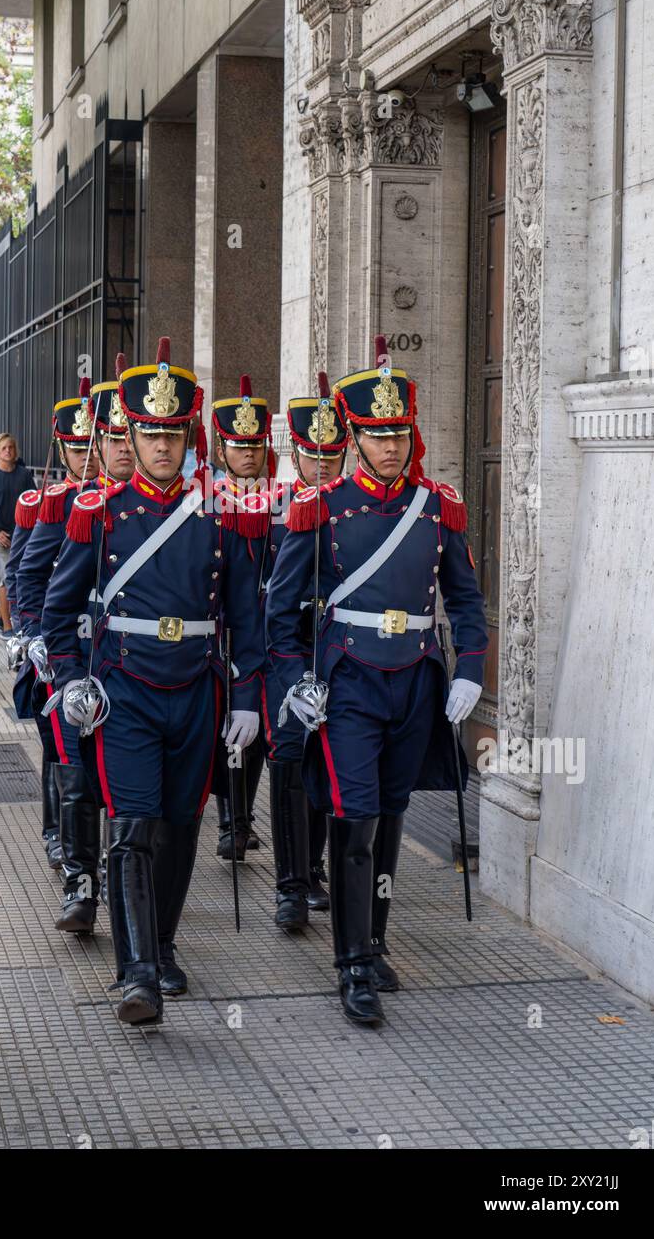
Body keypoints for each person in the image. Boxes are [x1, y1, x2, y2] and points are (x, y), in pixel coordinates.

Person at [41, 337, 264, 1025]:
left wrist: (251, 699)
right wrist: (73, 678)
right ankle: (136, 971)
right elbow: (58, 608)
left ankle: (162, 944)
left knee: (180, 825)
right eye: (149, 433)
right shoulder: (99, 512)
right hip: (125, 689)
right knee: (132, 825)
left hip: (195, 689)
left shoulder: (223, 512)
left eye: (172, 433)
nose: (161, 446)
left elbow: (247, 617)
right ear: (128, 436)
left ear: (188, 436)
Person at [266, 337, 488, 1027]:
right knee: (355, 819)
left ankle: (377, 939)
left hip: (415, 679)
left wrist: (470, 671)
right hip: (350, 681)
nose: (389, 447)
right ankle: (352, 965)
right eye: (375, 435)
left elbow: (465, 598)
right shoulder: (322, 508)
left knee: (390, 818)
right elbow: (281, 611)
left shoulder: (436, 506)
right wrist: (295, 681)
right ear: (354, 437)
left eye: (399, 434)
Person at [12, 364, 133, 926]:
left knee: (125, 784)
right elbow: (31, 577)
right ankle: (81, 887)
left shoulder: (162, 507)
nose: (112, 450)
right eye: (106, 439)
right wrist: (36, 636)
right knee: (76, 770)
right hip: (76, 655)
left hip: (134, 661)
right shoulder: (67, 503)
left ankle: (130, 884)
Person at [250, 382, 351, 931]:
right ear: (295, 455)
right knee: (289, 758)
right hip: (284, 649)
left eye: (330, 455)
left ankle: (315, 869)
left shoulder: (356, 509)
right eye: (310, 455)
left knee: (331, 760)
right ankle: (289, 886)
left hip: (338, 652)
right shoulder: (273, 510)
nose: (320, 465)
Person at [208, 376, 276, 863]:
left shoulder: (286, 498)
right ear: (221, 448)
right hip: (219, 630)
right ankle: (228, 819)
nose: (248, 454)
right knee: (220, 726)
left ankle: (243, 818)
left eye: (255, 445)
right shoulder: (204, 499)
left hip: (268, 630)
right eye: (238, 446)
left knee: (256, 732)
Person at [0, 434, 34, 638]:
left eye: (11, 447)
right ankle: (8, 626)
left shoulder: (25, 474)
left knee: (22, 580)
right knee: (5, 581)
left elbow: (33, 502)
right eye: (3, 448)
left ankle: (4, 613)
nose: (8, 451)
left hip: (22, 535)